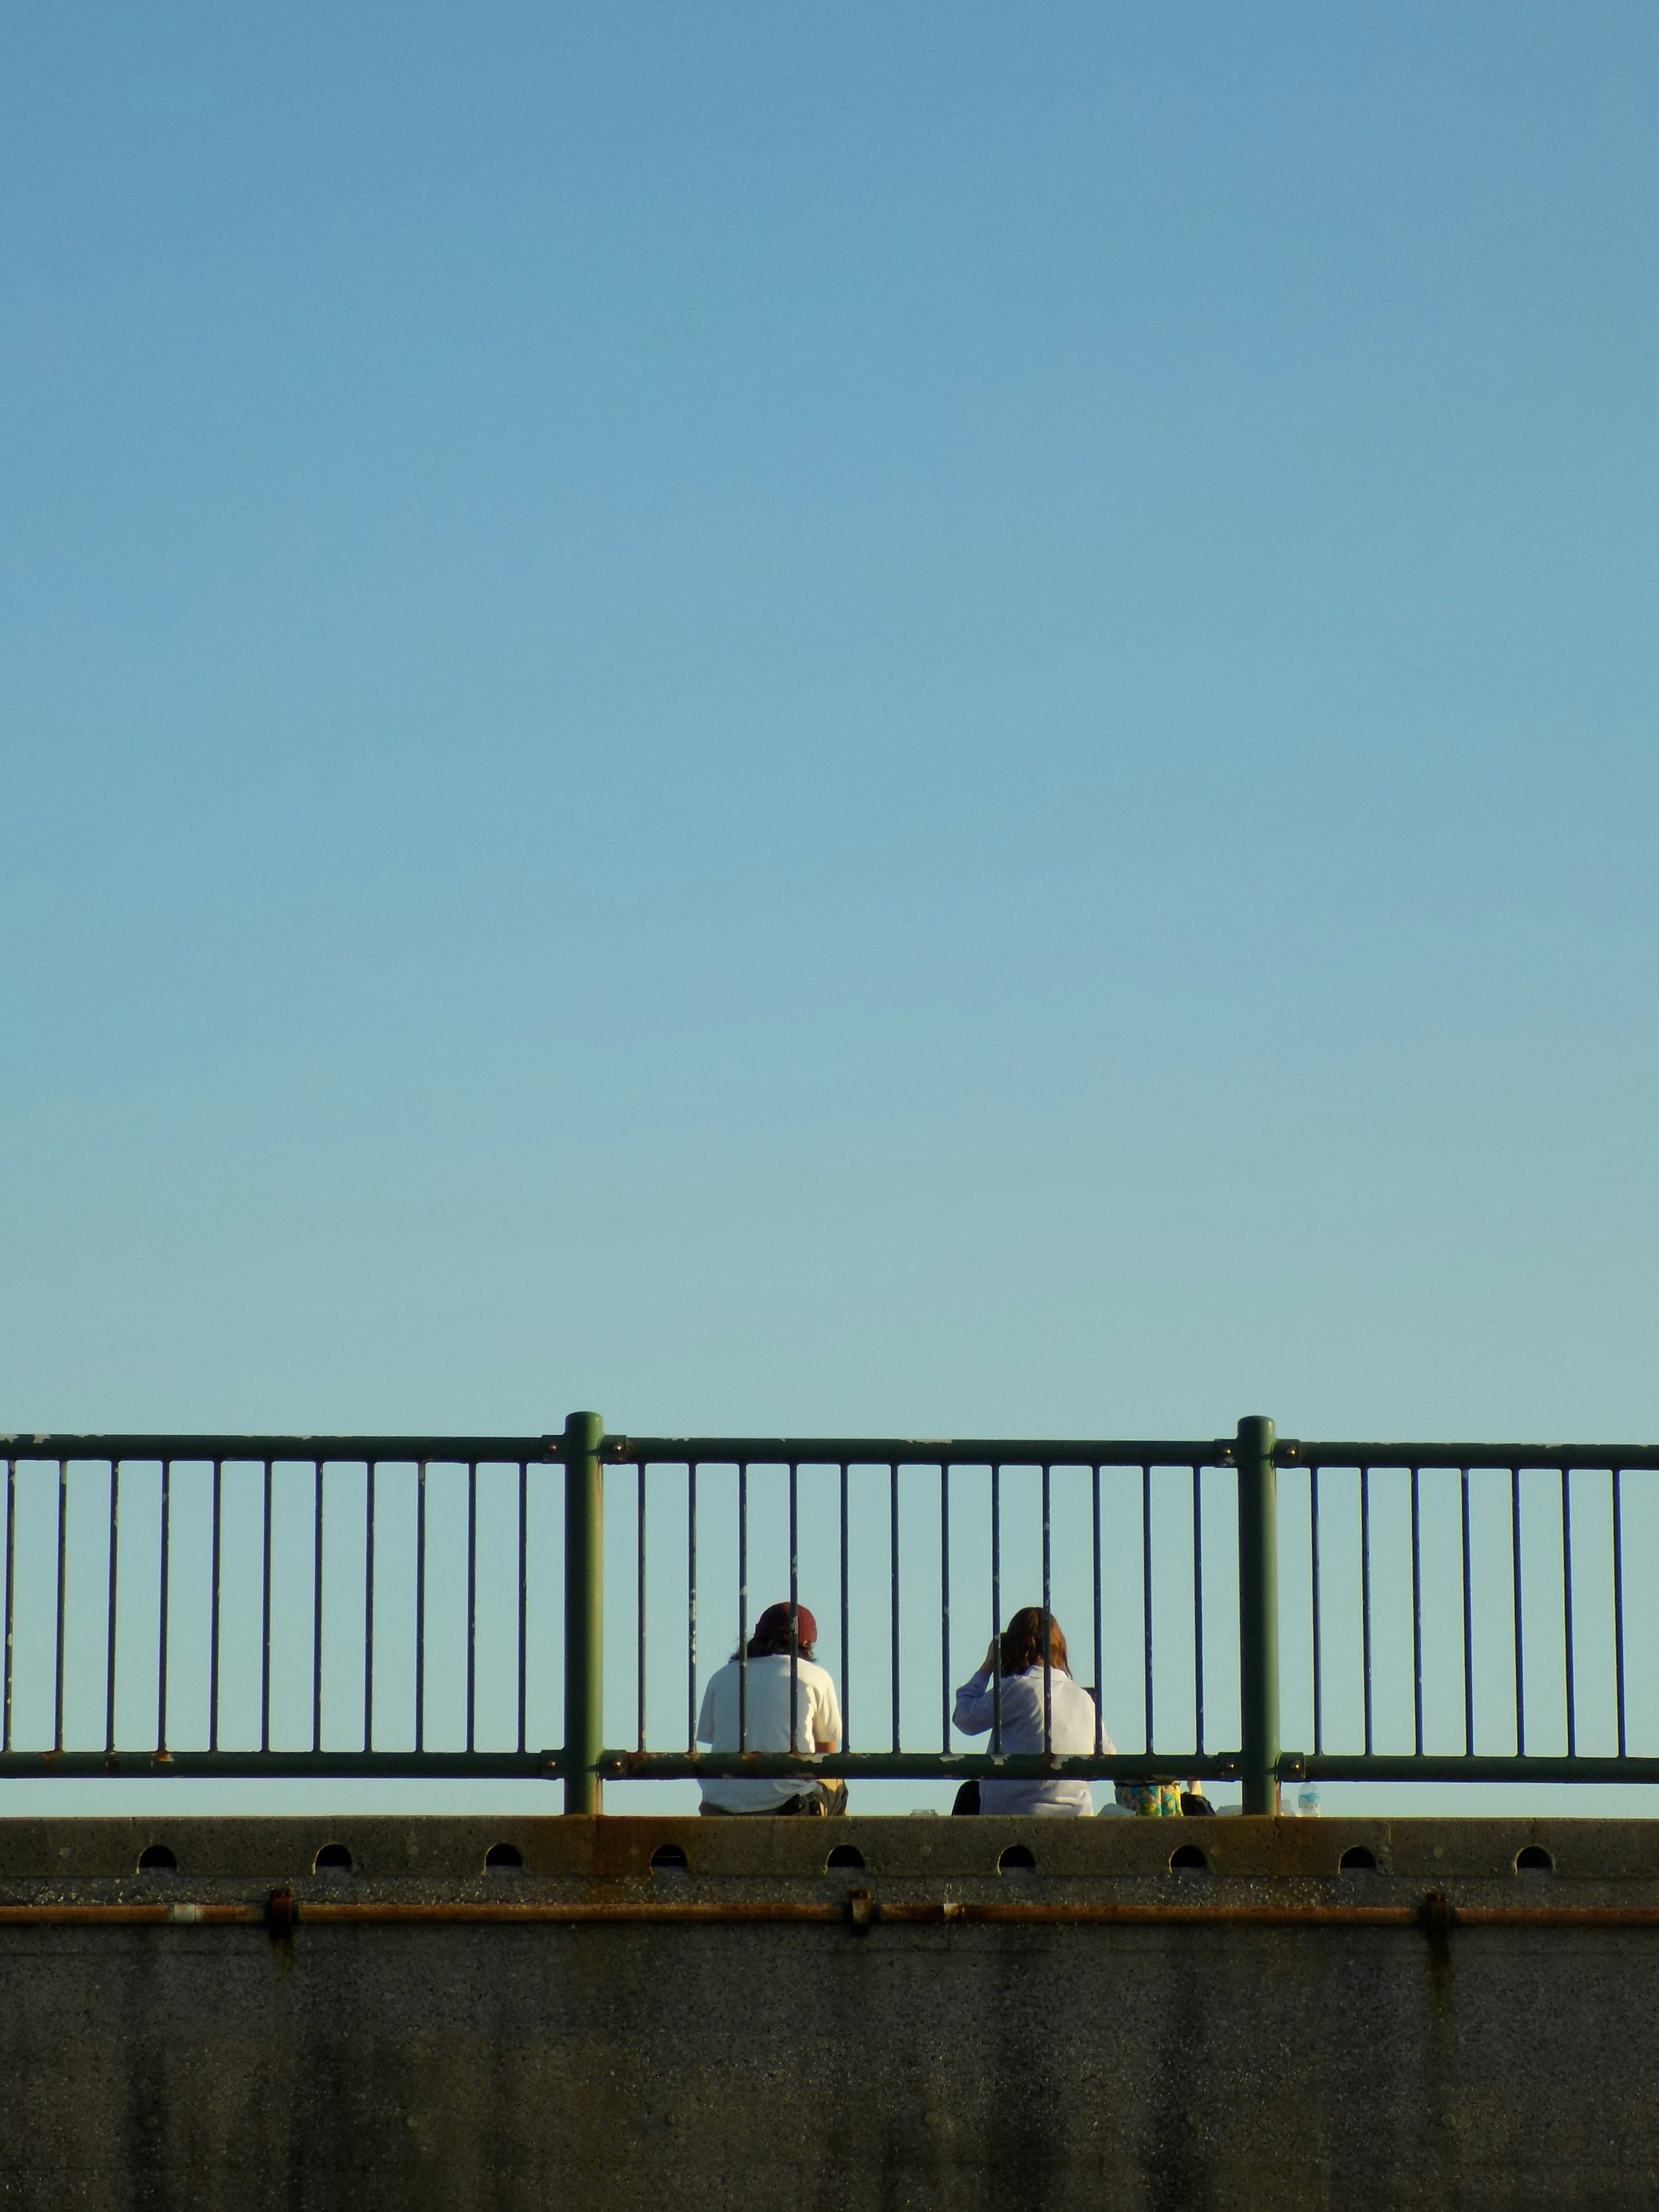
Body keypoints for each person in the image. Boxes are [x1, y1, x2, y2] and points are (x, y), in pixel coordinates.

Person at [952, 1607, 1110, 1817]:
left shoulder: (1020, 1687)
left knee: (969, 1794)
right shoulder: (1083, 1698)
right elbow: (1108, 1756)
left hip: (1019, 1812)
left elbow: (965, 1718)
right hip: (1076, 1815)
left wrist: (988, 1666)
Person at [696, 1601, 847, 1816]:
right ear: (806, 1643)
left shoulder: (722, 1677)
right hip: (788, 1806)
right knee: (837, 1785)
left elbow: (716, 1739)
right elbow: (828, 1757)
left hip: (719, 1808)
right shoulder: (814, 1677)